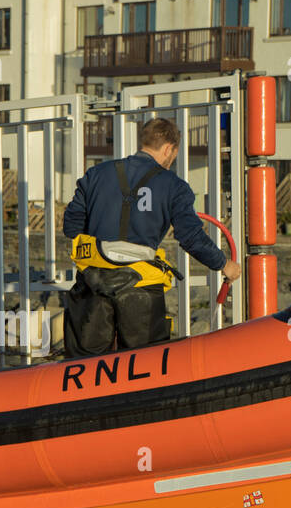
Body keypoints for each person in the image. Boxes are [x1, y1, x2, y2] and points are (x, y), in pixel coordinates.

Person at [61, 116, 241, 356]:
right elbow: (190, 236)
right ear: (169, 148)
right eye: (174, 155)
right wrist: (223, 264)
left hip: (92, 284)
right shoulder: (174, 186)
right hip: (141, 288)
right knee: (145, 365)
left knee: (83, 368)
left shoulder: (96, 174)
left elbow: (71, 227)